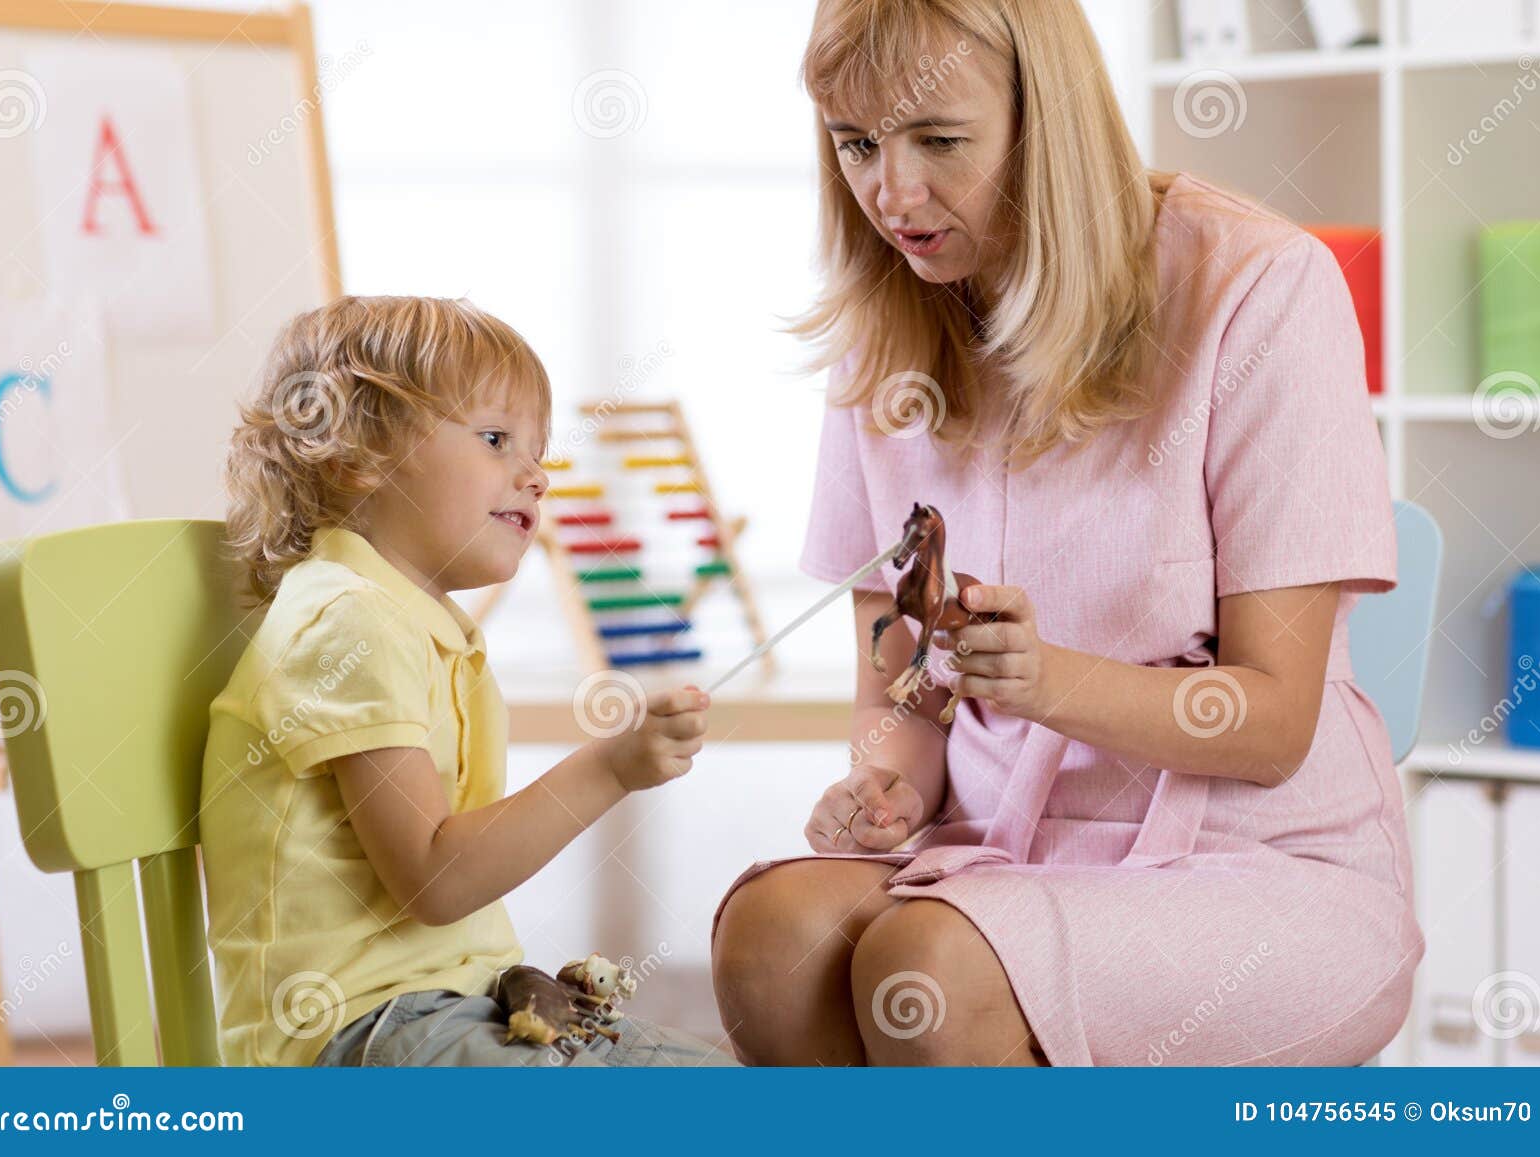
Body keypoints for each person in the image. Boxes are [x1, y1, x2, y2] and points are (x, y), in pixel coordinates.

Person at [712, 0, 1422, 1067]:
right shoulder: (884, 335)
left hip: (1262, 869)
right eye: (855, 143)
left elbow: (1272, 723)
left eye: (938, 141)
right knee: (772, 936)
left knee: (928, 967)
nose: (890, 195)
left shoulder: (1260, 289)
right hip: (998, 859)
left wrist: (1045, 679)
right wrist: (891, 778)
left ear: (1045, 122)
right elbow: (898, 691)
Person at [201, 295, 735, 1067]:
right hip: (349, 1034)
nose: (536, 475)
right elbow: (434, 879)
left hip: (449, 1003)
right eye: (495, 439)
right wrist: (608, 767)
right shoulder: (350, 619)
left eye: (539, 451)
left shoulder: (418, 623)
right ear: (359, 457)